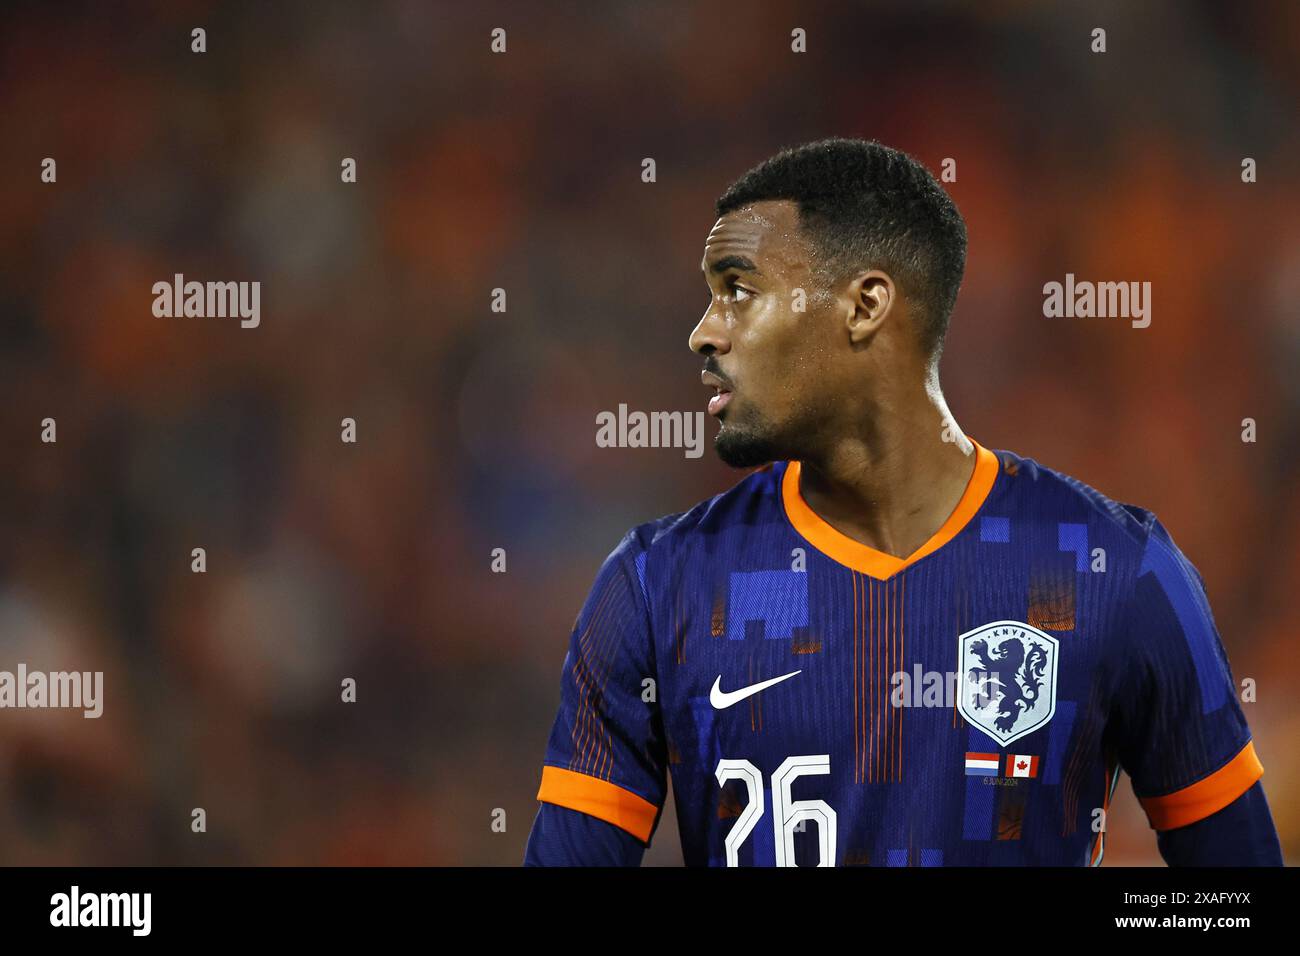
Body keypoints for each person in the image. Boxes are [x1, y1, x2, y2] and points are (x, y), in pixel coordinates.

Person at [524, 138, 1283, 866]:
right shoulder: (657, 588)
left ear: (865, 305)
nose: (703, 332)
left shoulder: (1117, 571)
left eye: (739, 290)